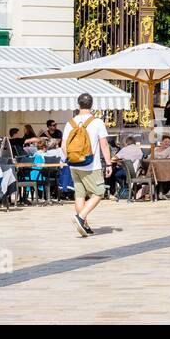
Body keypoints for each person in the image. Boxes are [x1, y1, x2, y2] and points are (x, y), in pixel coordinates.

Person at [61, 93, 112, 238]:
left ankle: (85, 226)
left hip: (74, 164)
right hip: (91, 165)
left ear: (78, 105)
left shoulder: (70, 123)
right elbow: (104, 145)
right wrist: (108, 163)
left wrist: (71, 159)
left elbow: (63, 145)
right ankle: (81, 217)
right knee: (99, 192)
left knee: (80, 195)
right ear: (91, 105)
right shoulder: (97, 122)